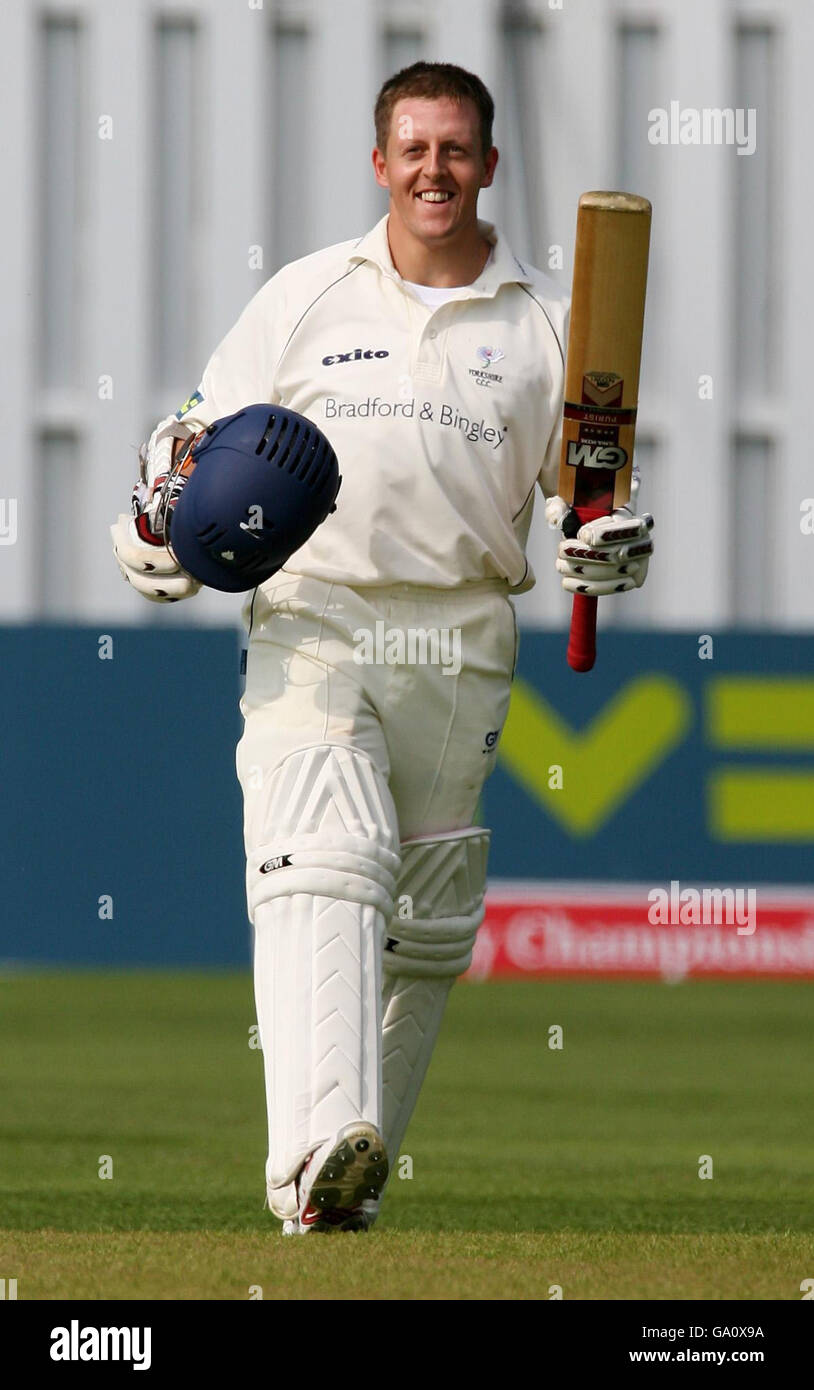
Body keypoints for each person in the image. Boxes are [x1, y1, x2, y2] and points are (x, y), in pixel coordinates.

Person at [111, 61, 653, 1234]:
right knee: (325, 855)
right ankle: (313, 1150)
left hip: (461, 638)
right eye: (413, 148)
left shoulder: (545, 327)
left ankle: (337, 1198)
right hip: (317, 615)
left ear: (489, 164)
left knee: (428, 920)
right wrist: (155, 522)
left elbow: (587, 498)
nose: (433, 170)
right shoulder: (306, 297)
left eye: (454, 149)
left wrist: (603, 545)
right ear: (379, 162)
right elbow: (189, 439)